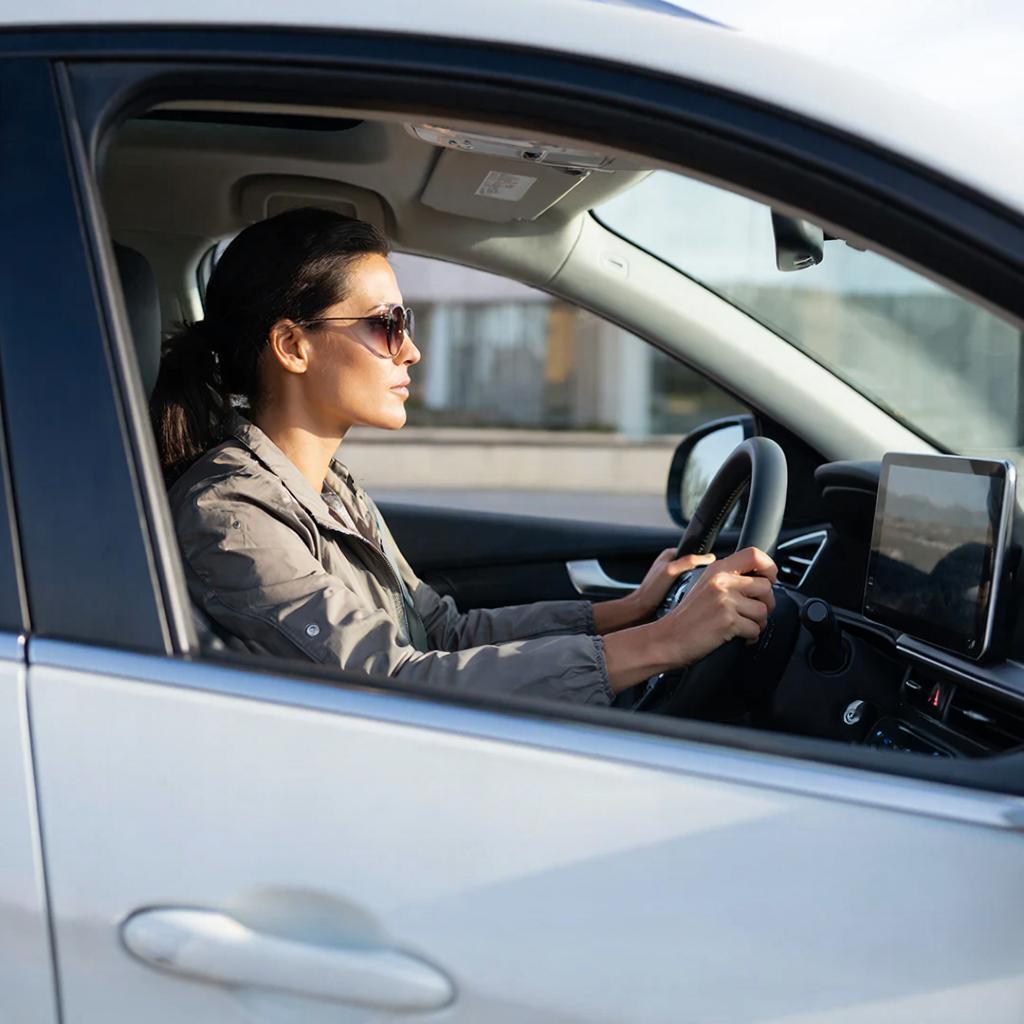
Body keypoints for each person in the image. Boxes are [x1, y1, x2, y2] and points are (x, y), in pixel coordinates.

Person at [151, 207, 776, 706]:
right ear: (292, 345)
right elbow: (397, 682)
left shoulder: (329, 488)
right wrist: (666, 641)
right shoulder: (230, 518)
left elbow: (443, 633)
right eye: (386, 324)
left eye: (408, 322)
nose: (411, 351)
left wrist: (633, 611)